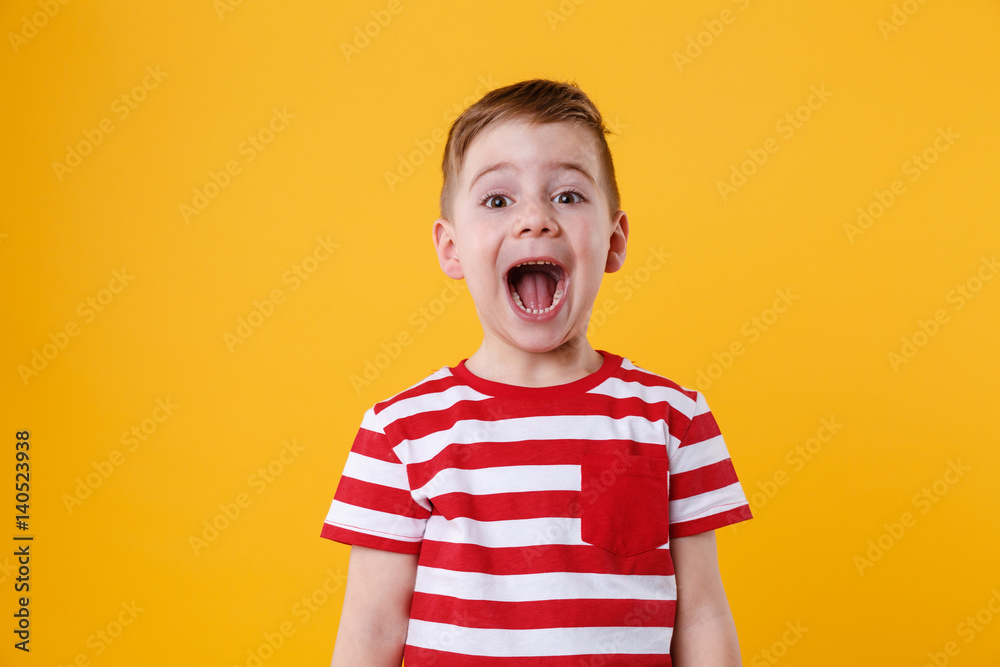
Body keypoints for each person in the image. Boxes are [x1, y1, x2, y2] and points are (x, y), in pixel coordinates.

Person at [321, 78, 753, 666]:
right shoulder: (400, 433)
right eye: (498, 200)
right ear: (451, 248)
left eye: (568, 196)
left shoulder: (672, 420)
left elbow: (701, 614)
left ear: (614, 241)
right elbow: (370, 632)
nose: (535, 219)